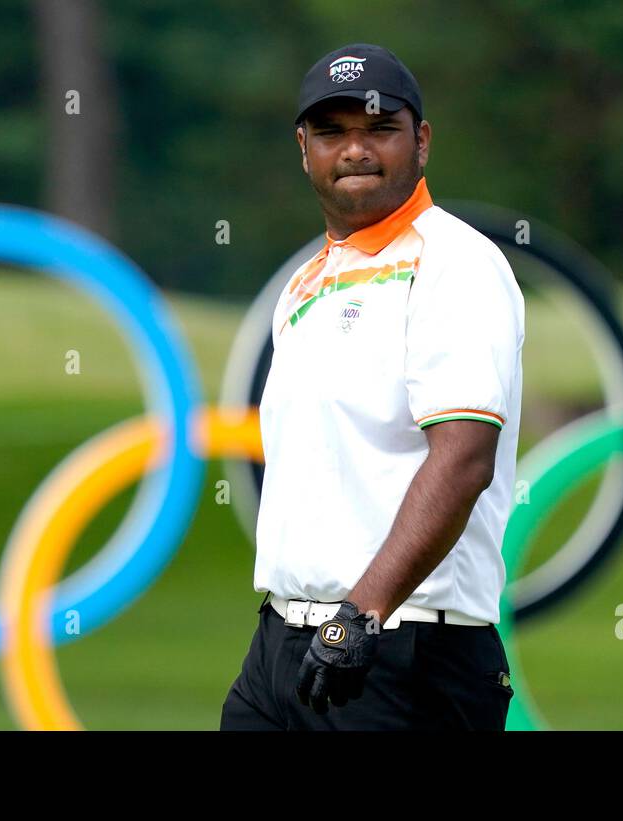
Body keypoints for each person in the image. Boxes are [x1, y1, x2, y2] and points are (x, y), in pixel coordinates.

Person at [219, 43, 525, 730]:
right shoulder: (305, 283)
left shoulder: (457, 264)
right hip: (282, 646)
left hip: (402, 644)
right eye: (331, 132)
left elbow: (464, 457)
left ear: (421, 141)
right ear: (304, 149)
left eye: (379, 128)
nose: (355, 148)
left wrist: (360, 614)